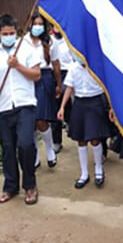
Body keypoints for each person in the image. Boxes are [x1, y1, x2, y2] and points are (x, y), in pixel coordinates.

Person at [0, 14, 42, 205]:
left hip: (25, 104)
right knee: (7, 148)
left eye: (12, 33)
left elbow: (36, 75)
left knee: (26, 144)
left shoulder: (27, 50)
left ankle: (30, 186)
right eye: (5, 34)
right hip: (4, 107)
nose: (8, 36)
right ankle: (10, 187)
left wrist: (17, 66)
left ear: (17, 32)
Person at [57, 55, 111, 189]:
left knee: (95, 138)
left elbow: (106, 86)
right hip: (80, 103)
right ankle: (84, 173)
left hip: (95, 102)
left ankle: (98, 169)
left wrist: (111, 107)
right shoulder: (73, 68)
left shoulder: (96, 66)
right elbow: (69, 87)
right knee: (81, 139)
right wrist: (62, 107)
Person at [22, 14, 60, 169]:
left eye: (40, 24)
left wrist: (59, 84)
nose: (37, 27)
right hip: (27, 78)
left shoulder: (50, 42)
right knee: (30, 120)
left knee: (41, 119)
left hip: (44, 78)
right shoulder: (22, 42)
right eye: (35, 24)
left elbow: (56, 64)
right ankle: (35, 153)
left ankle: (49, 149)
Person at [50, 25, 74, 153]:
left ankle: (70, 122)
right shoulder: (49, 41)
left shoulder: (68, 40)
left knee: (65, 97)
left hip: (68, 72)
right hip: (54, 74)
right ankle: (56, 140)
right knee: (56, 104)